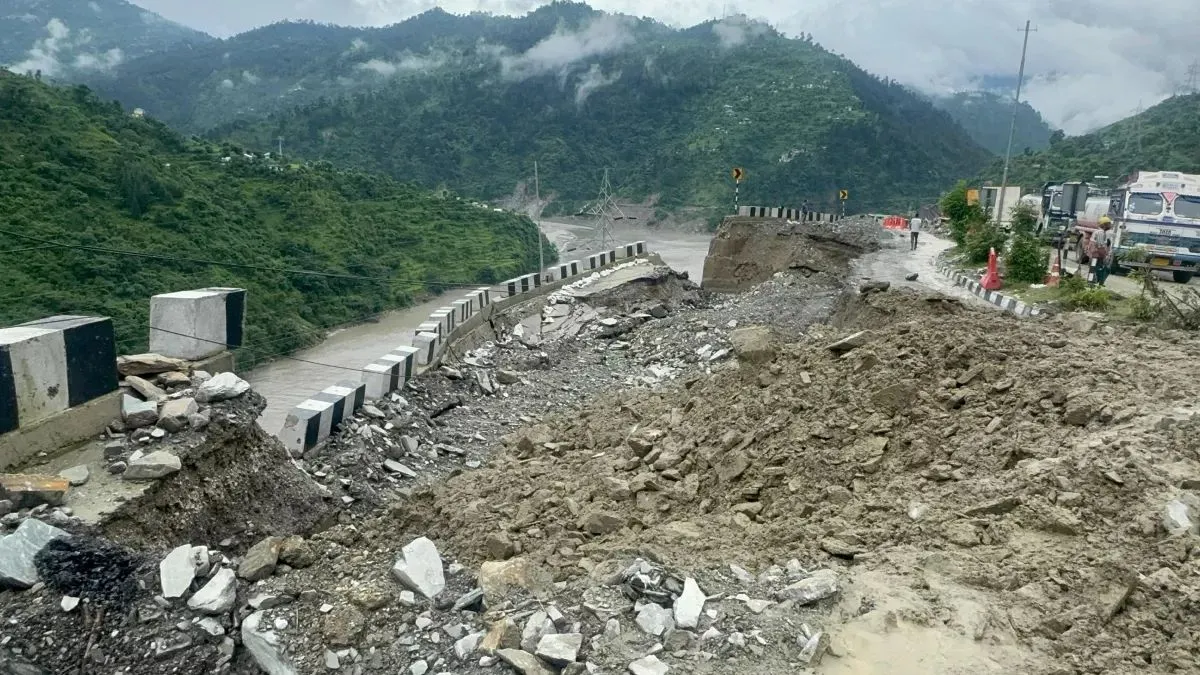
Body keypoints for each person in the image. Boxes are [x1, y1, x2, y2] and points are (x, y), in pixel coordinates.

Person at [1090, 216, 1113, 286]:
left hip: (1096, 254)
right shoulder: (1100, 232)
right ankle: (1096, 282)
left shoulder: (1099, 232)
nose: (1110, 225)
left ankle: (1094, 281)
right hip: (1097, 254)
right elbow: (1100, 245)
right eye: (1109, 224)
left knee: (1094, 269)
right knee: (1098, 269)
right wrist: (1105, 255)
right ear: (1104, 225)